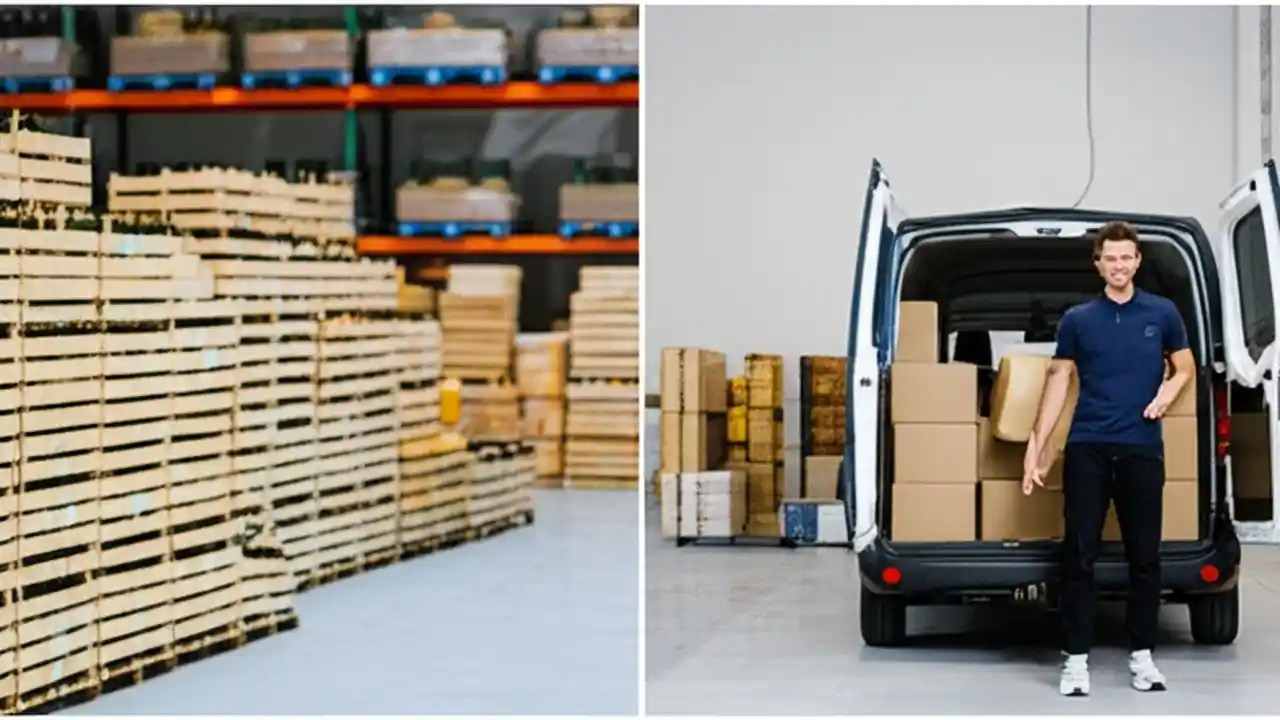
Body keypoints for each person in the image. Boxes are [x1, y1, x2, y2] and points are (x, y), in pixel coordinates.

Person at [1021, 220, 1193, 697]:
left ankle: (1143, 657)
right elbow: (1058, 380)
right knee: (1079, 555)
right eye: (1110, 258)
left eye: (1126, 257)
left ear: (1138, 261)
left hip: (1141, 449)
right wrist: (1037, 447)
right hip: (1089, 448)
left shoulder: (1163, 313)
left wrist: (1166, 394)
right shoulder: (1078, 320)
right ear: (1098, 264)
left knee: (1145, 557)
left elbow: (1185, 367)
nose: (1119, 265)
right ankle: (1075, 660)